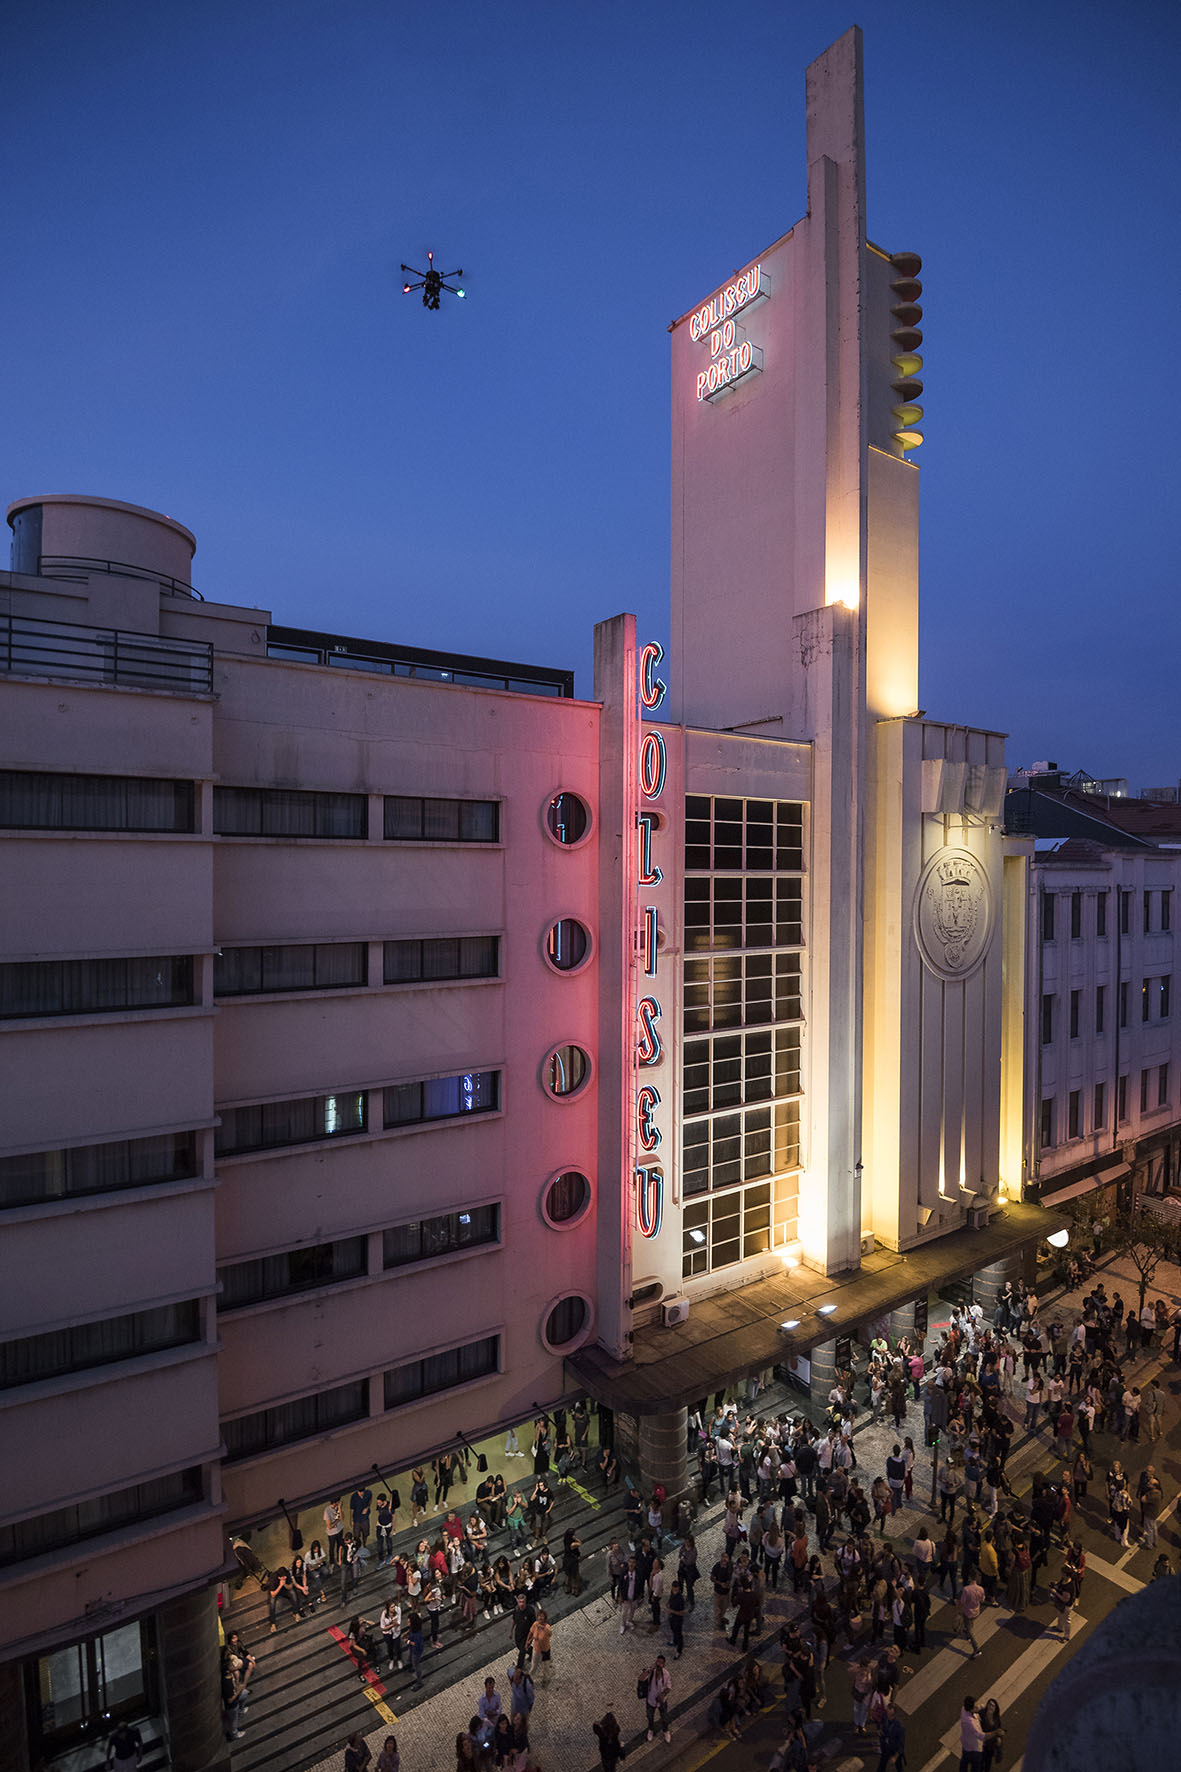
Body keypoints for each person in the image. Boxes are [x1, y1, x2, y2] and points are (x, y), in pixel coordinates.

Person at [641, 1653, 672, 1743]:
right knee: (650, 1717)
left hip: (662, 1701)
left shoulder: (666, 1674)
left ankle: (665, 1731)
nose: (659, 1664)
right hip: (650, 1701)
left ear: (664, 1664)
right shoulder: (651, 1672)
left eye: (661, 1662)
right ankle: (651, 1729)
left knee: (664, 1717)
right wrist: (651, 1668)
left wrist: (663, 1694)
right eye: (657, 1662)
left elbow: (669, 1686)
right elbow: (641, 1678)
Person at [958, 1575, 984, 1658]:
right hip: (976, 1611)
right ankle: (968, 1633)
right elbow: (982, 1599)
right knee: (970, 1623)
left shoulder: (966, 1589)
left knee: (969, 1629)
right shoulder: (980, 1589)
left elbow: (962, 1601)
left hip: (968, 1612)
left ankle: (976, 1648)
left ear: (969, 1578)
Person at [877, 1701, 906, 1772]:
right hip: (885, 1746)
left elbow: (901, 1746)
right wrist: (879, 1729)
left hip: (894, 1749)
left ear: (894, 1715)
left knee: (898, 1766)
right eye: (887, 1713)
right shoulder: (885, 1715)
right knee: (882, 1765)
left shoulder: (900, 1727)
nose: (888, 1716)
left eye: (890, 1715)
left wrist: (895, 1757)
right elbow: (881, 1721)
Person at [960, 1697, 986, 1772]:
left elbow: (977, 1708)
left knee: (964, 1762)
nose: (977, 1706)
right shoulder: (971, 1723)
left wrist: (981, 1706)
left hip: (966, 1744)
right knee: (976, 1767)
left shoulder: (964, 1709)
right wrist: (995, 1732)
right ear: (971, 1710)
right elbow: (982, 1736)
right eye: (975, 1707)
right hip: (975, 1749)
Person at [980, 1699, 1004, 1772]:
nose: (990, 1707)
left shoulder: (996, 1719)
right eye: (989, 1704)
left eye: (993, 1706)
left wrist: (999, 1738)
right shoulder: (981, 1715)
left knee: (987, 1765)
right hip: (981, 1745)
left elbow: (999, 1729)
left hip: (990, 1746)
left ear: (995, 1709)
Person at [668, 1577, 687, 1656]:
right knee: (673, 1630)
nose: (674, 1591)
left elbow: (682, 1613)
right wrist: (668, 1603)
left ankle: (679, 1651)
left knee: (679, 1634)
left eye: (676, 1590)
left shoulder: (680, 1600)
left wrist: (673, 1611)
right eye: (673, 1589)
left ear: (679, 1589)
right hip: (672, 1617)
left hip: (678, 1619)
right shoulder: (672, 1593)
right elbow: (670, 1599)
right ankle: (674, 1641)